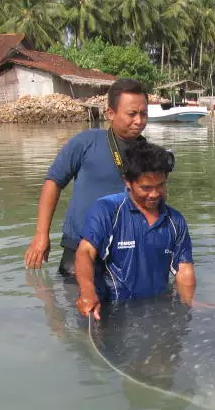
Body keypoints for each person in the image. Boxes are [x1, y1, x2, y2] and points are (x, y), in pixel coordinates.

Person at [24, 78, 173, 278]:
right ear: (110, 113)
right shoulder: (84, 143)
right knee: (76, 303)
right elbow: (53, 182)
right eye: (131, 114)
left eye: (143, 114)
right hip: (80, 245)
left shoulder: (149, 154)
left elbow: (158, 197)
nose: (139, 120)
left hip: (127, 247)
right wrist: (41, 235)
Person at [74, 141, 196, 320]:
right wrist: (87, 291)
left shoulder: (175, 220)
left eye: (160, 185)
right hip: (112, 309)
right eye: (146, 188)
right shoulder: (107, 210)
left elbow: (184, 270)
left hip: (157, 307)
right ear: (128, 182)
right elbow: (85, 252)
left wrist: (188, 304)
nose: (155, 194)